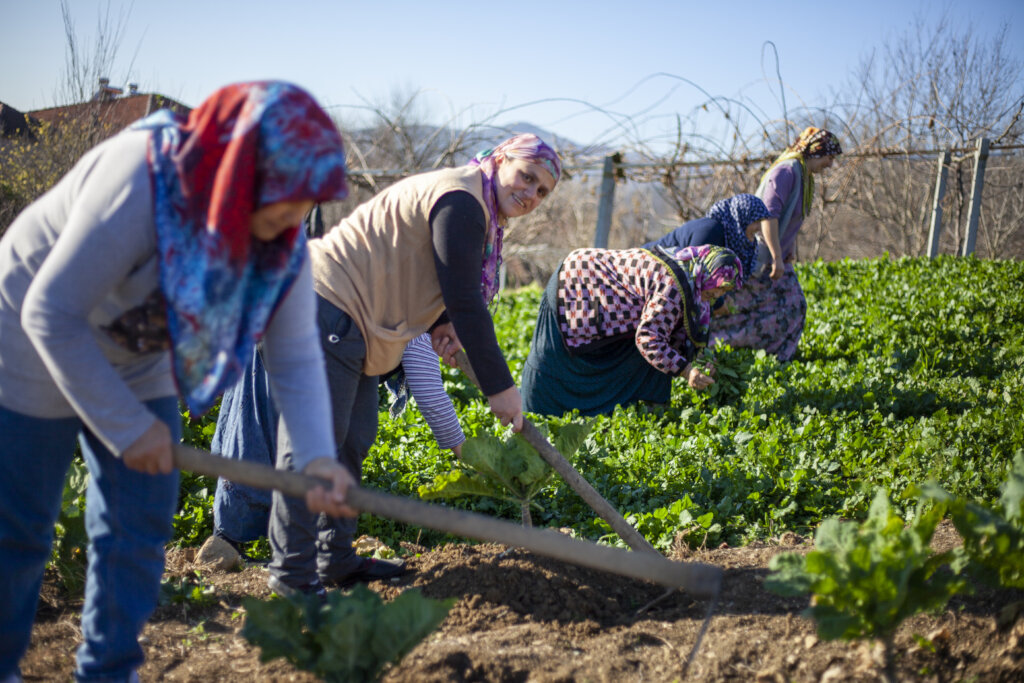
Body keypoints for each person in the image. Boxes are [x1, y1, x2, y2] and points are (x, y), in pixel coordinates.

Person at [0, 81, 353, 683]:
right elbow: (49, 312)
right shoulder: (139, 182)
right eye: (285, 203)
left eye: (304, 208)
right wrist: (127, 426)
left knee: (137, 524)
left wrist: (317, 456)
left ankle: (108, 671)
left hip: (137, 349)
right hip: (34, 331)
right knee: (21, 530)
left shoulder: (280, 243)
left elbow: (293, 355)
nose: (294, 223)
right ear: (242, 173)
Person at [230, 133, 561, 597]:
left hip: (356, 322)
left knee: (353, 438)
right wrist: (500, 388)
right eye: (526, 176)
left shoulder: (475, 204)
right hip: (322, 304)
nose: (531, 193)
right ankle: (292, 575)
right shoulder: (462, 201)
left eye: (542, 191)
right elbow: (467, 299)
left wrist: (442, 321)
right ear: (501, 159)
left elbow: (440, 276)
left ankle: (334, 558)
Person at [210, 332, 465, 564]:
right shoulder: (418, 322)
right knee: (277, 439)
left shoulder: (414, 305)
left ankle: (278, 547)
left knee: (273, 436)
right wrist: (475, 459)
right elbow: (432, 399)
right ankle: (275, 552)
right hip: (303, 345)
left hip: (301, 337)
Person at [520, 244, 743, 417]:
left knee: (647, 360)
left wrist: (702, 361)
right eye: (714, 291)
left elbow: (686, 330)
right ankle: (530, 413)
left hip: (602, 290)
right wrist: (686, 371)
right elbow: (649, 339)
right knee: (554, 364)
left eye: (719, 294)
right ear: (708, 274)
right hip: (576, 286)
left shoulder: (695, 275)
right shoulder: (673, 288)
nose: (713, 298)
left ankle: (637, 410)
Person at [710, 126, 842, 361]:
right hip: (757, 257)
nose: (831, 164)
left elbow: (786, 220)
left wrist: (786, 251)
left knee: (790, 306)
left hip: (772, 256)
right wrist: (776, 257)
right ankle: (712, 346)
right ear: (817, 151)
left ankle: (770, 356)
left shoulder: (802, 175)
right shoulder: (786, 171)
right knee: (740, 306)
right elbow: (767, 216)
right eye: (830, 157)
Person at [644, 193, 773, 300]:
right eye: (755, 221)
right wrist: (718, 304)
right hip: (647, 269)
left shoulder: (734, 240)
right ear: (741, 217)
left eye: (760, 221)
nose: (759, 228)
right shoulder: (711, 232)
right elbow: (696, 277)